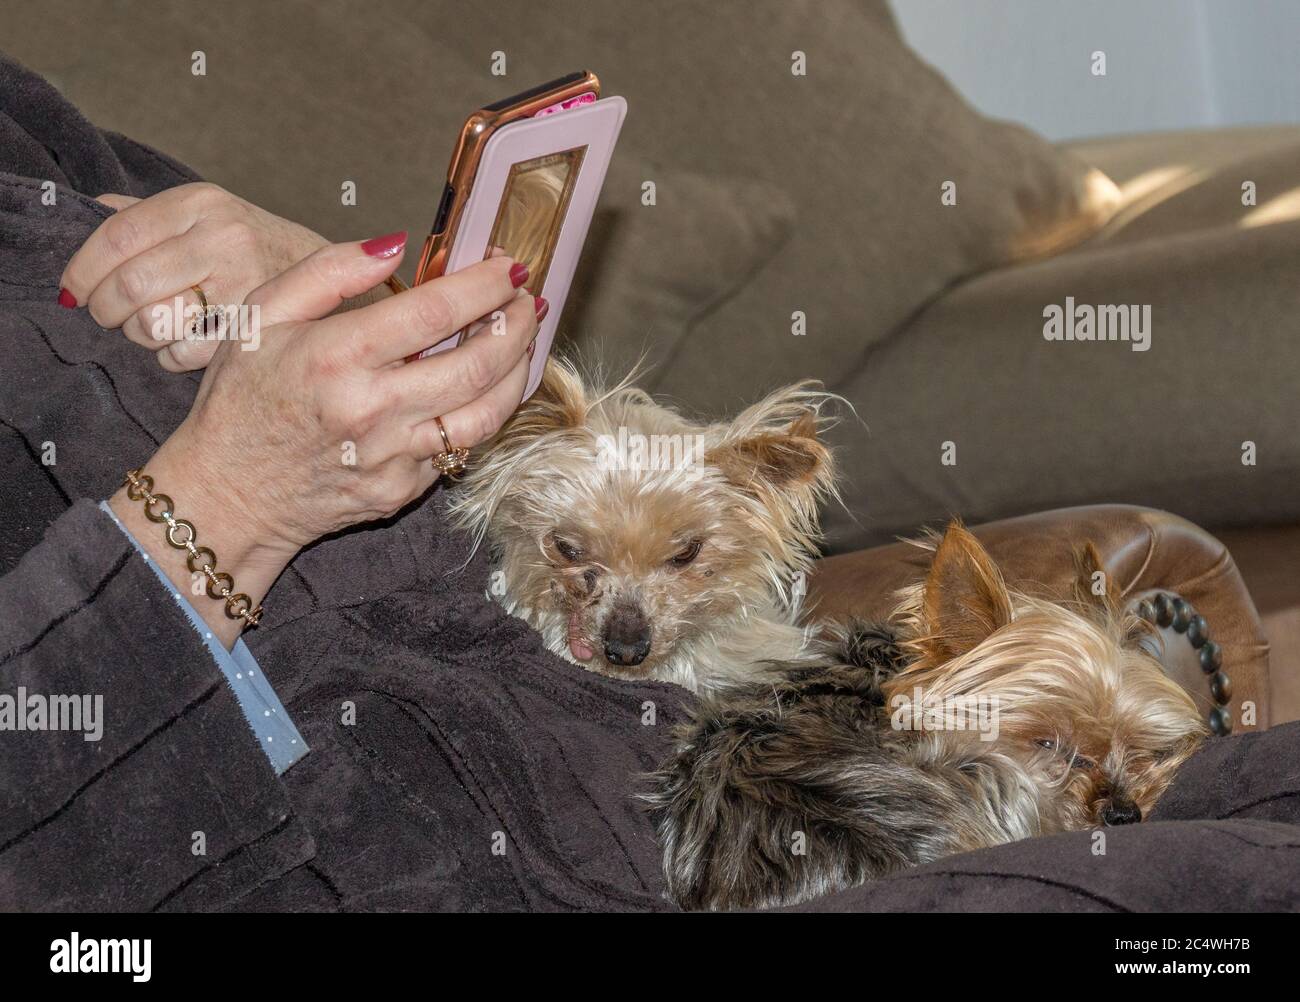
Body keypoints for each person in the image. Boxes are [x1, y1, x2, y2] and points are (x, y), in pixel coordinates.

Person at [2, 55, 1299, 912]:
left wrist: (331, 291)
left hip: (699, 764)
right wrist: (228, 496)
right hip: (457, 827)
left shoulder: (33, 125)